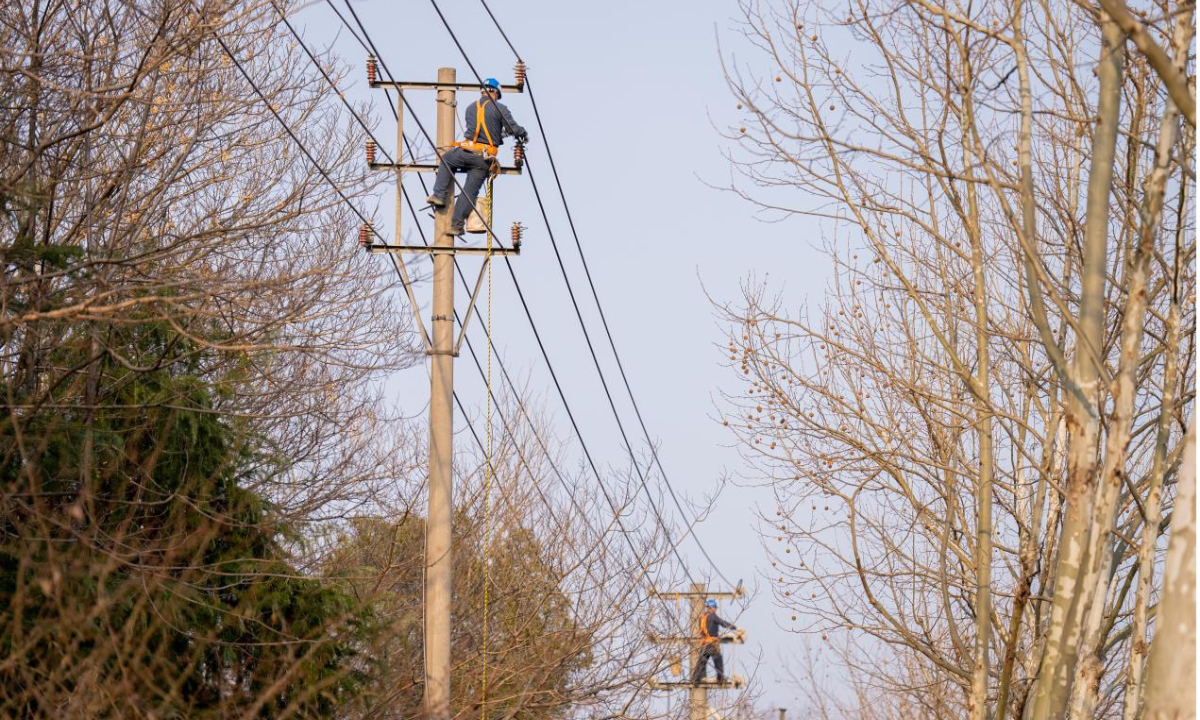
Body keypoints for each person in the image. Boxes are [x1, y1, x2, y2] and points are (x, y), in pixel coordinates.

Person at [426, 78, 528, 236]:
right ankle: (456, 225)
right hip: (483, 159)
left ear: (483, 92)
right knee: (469, 192)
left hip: (465, 152)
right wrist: (523, 134)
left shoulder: (470, 108)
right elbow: (513, 129)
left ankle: (439, 195)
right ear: (496, 93)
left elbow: (479, 129)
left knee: (446, 160)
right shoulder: (500, 108)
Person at [691, 599, 736, 685]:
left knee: (702, 661)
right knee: (718, 660)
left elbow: (701, 631)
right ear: (711, 608)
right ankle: (720, 679)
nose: (715, 609)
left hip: (704, 643)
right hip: (712, 643)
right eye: (715, 608)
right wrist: (733, 627)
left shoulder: (702, 618)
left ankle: (695, 679)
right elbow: (722, 623)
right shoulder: (713, 616)